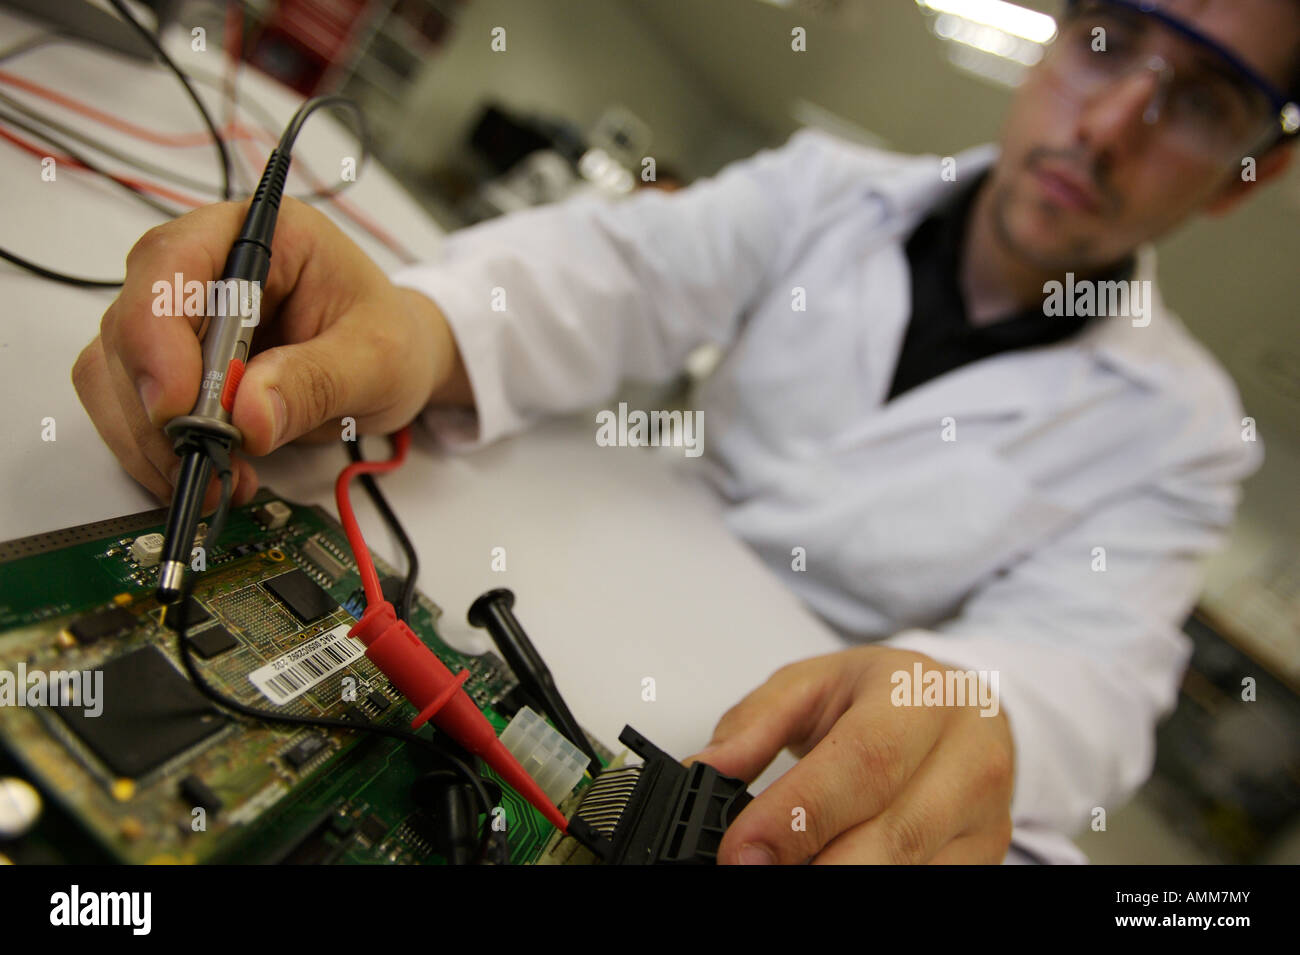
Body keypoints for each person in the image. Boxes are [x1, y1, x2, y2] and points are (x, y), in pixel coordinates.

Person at [72, 0, 1299, 864]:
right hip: (591, 578)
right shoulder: (824, 188)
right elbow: (618, 273)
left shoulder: (1184, 429)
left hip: (794, 764)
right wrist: (420, 331)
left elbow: (1096, 671)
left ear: (1245, 174)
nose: (1114, 122)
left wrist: (977, 707)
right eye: (1107, 42)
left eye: (1199, 100)